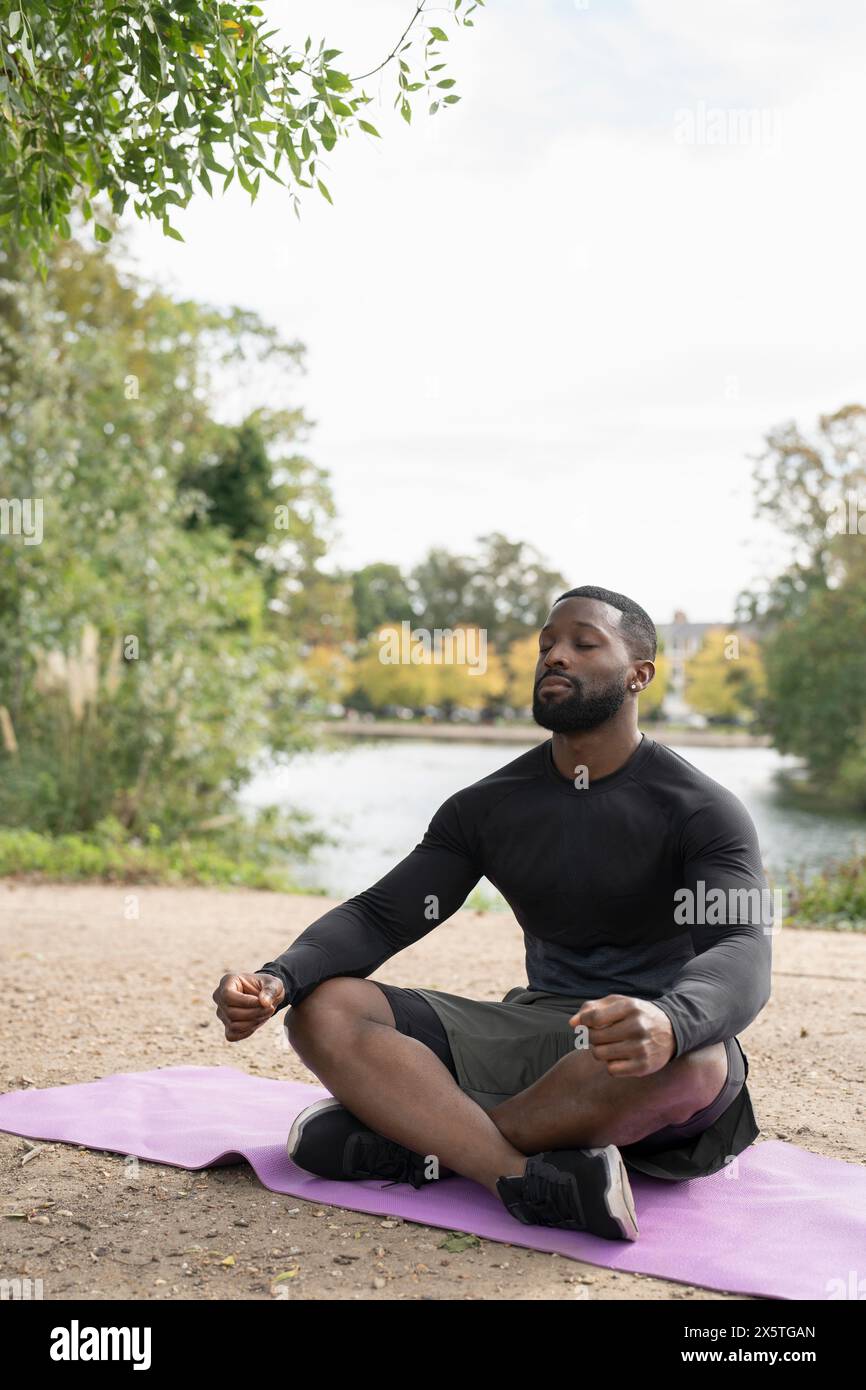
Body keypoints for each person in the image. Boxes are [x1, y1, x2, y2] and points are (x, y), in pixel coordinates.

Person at [212, 586, 773, 1240]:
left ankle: (419, 1140)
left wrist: (673, 1020)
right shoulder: (488, 807)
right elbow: (380, 917)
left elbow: (744, 948)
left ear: (638, 674)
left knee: (699, 1062)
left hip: (646, 1050)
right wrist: (280, 977)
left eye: (583, 643)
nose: (554, 656)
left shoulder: (703, 810)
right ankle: (513, 1174)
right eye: (546, 645)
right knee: (325, 1008)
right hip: (536, 1025)